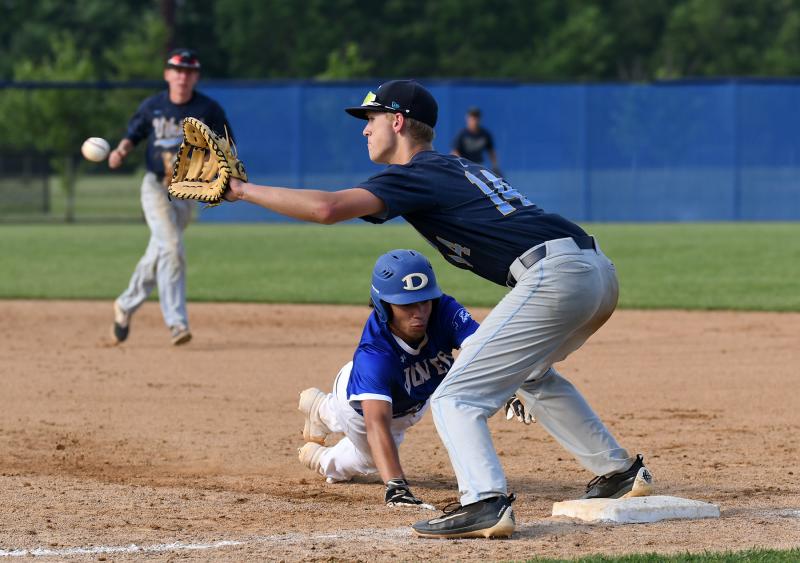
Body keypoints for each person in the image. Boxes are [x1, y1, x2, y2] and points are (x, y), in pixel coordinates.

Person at [221, 80, 652, 539]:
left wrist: (241, 190)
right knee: (530, 376)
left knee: (455, 396)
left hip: (558, 275)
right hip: (593, 271)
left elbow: (328, 208)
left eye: (371, 120)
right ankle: (618, 472)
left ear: (398, 121)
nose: (365, 132)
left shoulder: (418, 172)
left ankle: (484, 501)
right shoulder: (447, 167)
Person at [297, 249, 479, 509]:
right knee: (371, 461)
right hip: (360, 407)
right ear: (384, 305)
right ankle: (324, 459)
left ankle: (321, 409)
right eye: (406, 304)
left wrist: (516, 387)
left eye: (424, 300)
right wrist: (396, 486)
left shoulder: (444, 310)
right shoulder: (374, 355)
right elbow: (377, 425)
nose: (419, 313)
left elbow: (482, 347)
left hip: (407, 395)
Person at [108, 49, 233, 346]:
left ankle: (125, 305)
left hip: (188, 191)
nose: (182, 76)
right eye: (177, 70)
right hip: (155, 188)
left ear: (196, 77)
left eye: (189, 71)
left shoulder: (208, 109)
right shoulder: (153, 106)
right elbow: (134, 132)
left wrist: (221, 172)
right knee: (173, 247)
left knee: (161, 251)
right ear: (167, 74)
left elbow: (227, 145)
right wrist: (121, 150)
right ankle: (177, 323)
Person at [451, 106, 499, 172]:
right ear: (467, 119)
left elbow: (491, 151)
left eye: (477, 118)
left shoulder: (485, 134)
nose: (475, 120)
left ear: (480, 119)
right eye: (472, 118)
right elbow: (455, 152)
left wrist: (495, 166)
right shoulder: (462, 134)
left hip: (479, 166)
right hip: (465, 166)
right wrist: (460, 166)